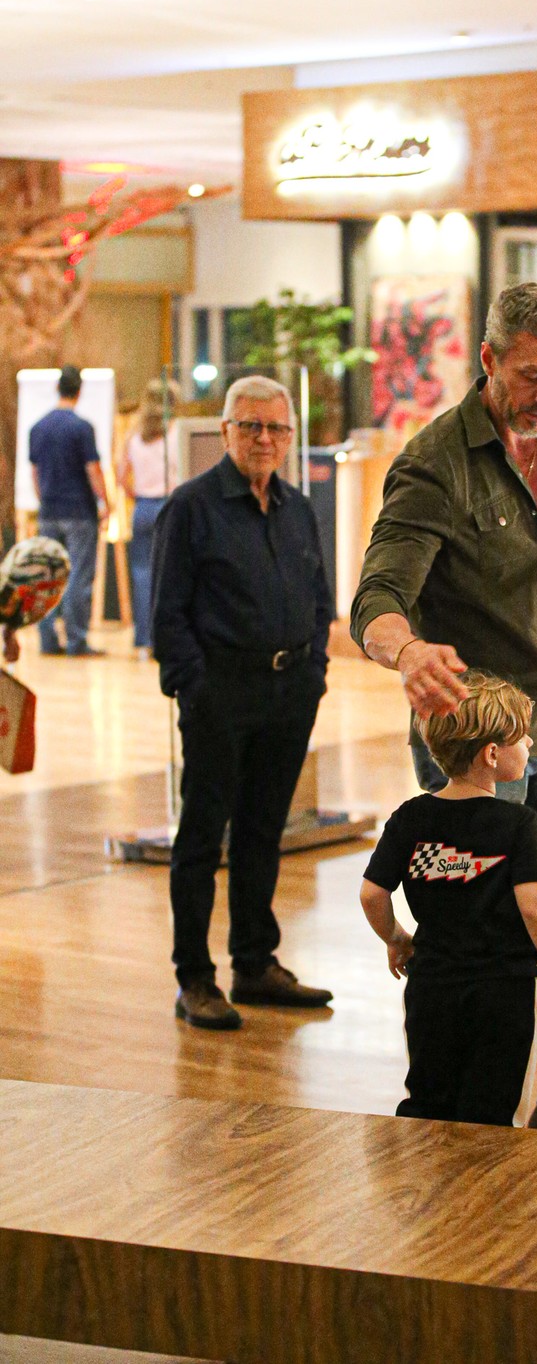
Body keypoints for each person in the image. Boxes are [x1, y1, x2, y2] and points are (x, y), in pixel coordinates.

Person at [351, 281, 537, 1140]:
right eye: (530, 376)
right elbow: (376, 596)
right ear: (487, 360)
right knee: (482, 948)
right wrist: (408, 653)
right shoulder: (434, 465)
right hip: (481, 744)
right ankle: (463, 1121)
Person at [151, 375, 333, 1031]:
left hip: (290, 692)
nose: (264, 438)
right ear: (226, 430)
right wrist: (195, 688)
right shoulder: (191, 508)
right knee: (203, 837)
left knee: (263, 832)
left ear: (290, 436)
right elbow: (166, 616)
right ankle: (194, 979)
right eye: (250, 425)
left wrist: (314, 672)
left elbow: (319, 599)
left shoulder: (297, 508)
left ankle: (254, 964)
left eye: (276, 428)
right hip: (220, 693)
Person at [360, 669, 537, 1126]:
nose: (530, 744)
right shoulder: (519, 825)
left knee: (428, 1105)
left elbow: (371, 894)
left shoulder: (410, 818)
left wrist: (396, 937)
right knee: (495, 1118)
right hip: (505, 993)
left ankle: (421, 1174)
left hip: (430, 987)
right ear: (492, 754)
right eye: (522, 737)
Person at [28, 365, 109, 656]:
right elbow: (93, 469)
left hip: (49, 511)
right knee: (79, 576)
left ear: (57, 388)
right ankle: (76, 641)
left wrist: (43, 500)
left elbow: (35, 473)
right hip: (79, 512)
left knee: (47, 575)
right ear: (79, 391)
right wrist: (105, 501)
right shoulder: (81, 427)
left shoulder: (38, 427)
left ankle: (47, 639)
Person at [118, 380, 178, 658]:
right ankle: (164, 637)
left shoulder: (133, 436)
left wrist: (136, 495)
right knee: (170, 574)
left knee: (142, 574)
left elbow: (121, 476)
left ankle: (143, 638)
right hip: (168, 505)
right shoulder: (175, 432)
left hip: (142, 507)